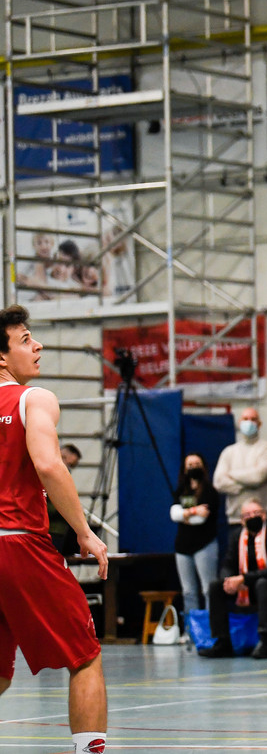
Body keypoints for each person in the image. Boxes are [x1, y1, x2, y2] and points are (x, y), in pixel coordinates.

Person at [0, 305, 109, 754]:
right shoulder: (32, 398)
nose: (37, 345)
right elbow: (48, 463)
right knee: (84, 657)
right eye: (25, 338)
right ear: (2, 357)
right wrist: (84, 530)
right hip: (19, 542)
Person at [201, 497, 267, 659]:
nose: (252, 517)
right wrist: (229, 580)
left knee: (263, 584)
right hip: (244, 585)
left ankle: (266, 641)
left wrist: (243, 579)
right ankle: (223, 642)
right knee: (216, 587)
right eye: (247, 515)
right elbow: (228, 562)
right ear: (241, 520)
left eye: (256, 513)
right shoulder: (236, 536)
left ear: (264, 515)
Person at [170, 451, 221, 614]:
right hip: (183, 547)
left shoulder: (210, 492)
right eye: (190, 465)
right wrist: (193, 511)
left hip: (205, 544)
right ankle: (191, 630)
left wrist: (184, 514)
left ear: (204, 468)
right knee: (188, 591)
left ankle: (211, 628)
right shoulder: (180, 491)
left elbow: (201, 519)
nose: (193, 468)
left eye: (197, 465)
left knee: (208, 589)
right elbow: (173, 514)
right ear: (184, 469)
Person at [213, 406, 267, 523]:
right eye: (245, 419)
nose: (249, 422)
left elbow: (257, 477)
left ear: (259, 424)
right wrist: (247, 484)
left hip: (264, 517)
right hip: (236, 519)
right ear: (239, 422)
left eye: (253, 419)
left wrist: (231, 474)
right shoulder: (229, 452)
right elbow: (219, 482)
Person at [47, 443, 83, 556]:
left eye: (70, 465)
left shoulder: (61, 479)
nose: (65, 465)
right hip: (46, 529)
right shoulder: (45, 473)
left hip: (55, 531)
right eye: (63, 458)